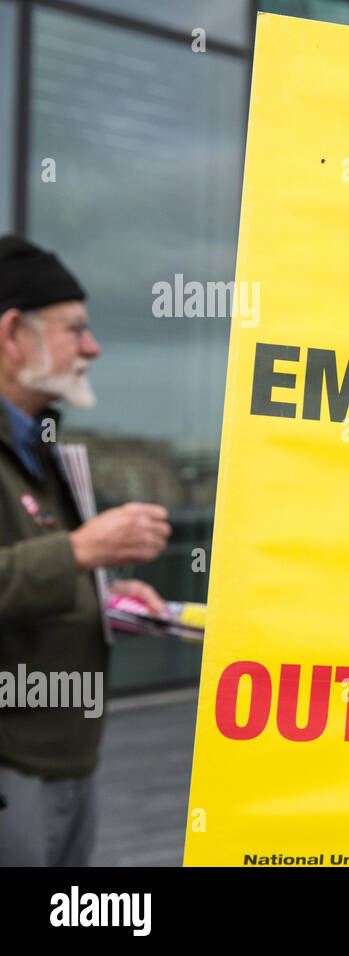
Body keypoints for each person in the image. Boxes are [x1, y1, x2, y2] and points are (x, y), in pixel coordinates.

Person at [0, 235, 172, 866]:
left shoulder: (36, 446)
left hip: (65, 760)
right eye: (76, 330)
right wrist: (78, 552)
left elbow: (29, 568)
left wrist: (108, 594)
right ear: (13, 333)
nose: (94, 348)